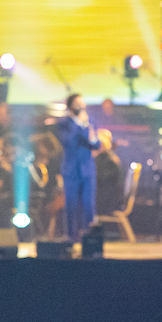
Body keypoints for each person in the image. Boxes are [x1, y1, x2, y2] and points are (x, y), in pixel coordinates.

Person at [53, 94, 100, 242]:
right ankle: (71, 238)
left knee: (88, 204)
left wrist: (90, 133)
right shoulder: (64, 123)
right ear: (71, 105)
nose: (82, 105)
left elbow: (96, 145)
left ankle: (89, 238)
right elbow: (68, 142)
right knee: (71, 205)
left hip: (87, 169)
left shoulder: (88, 122)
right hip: (71, 170)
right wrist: (78, 124)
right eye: (78, 103)